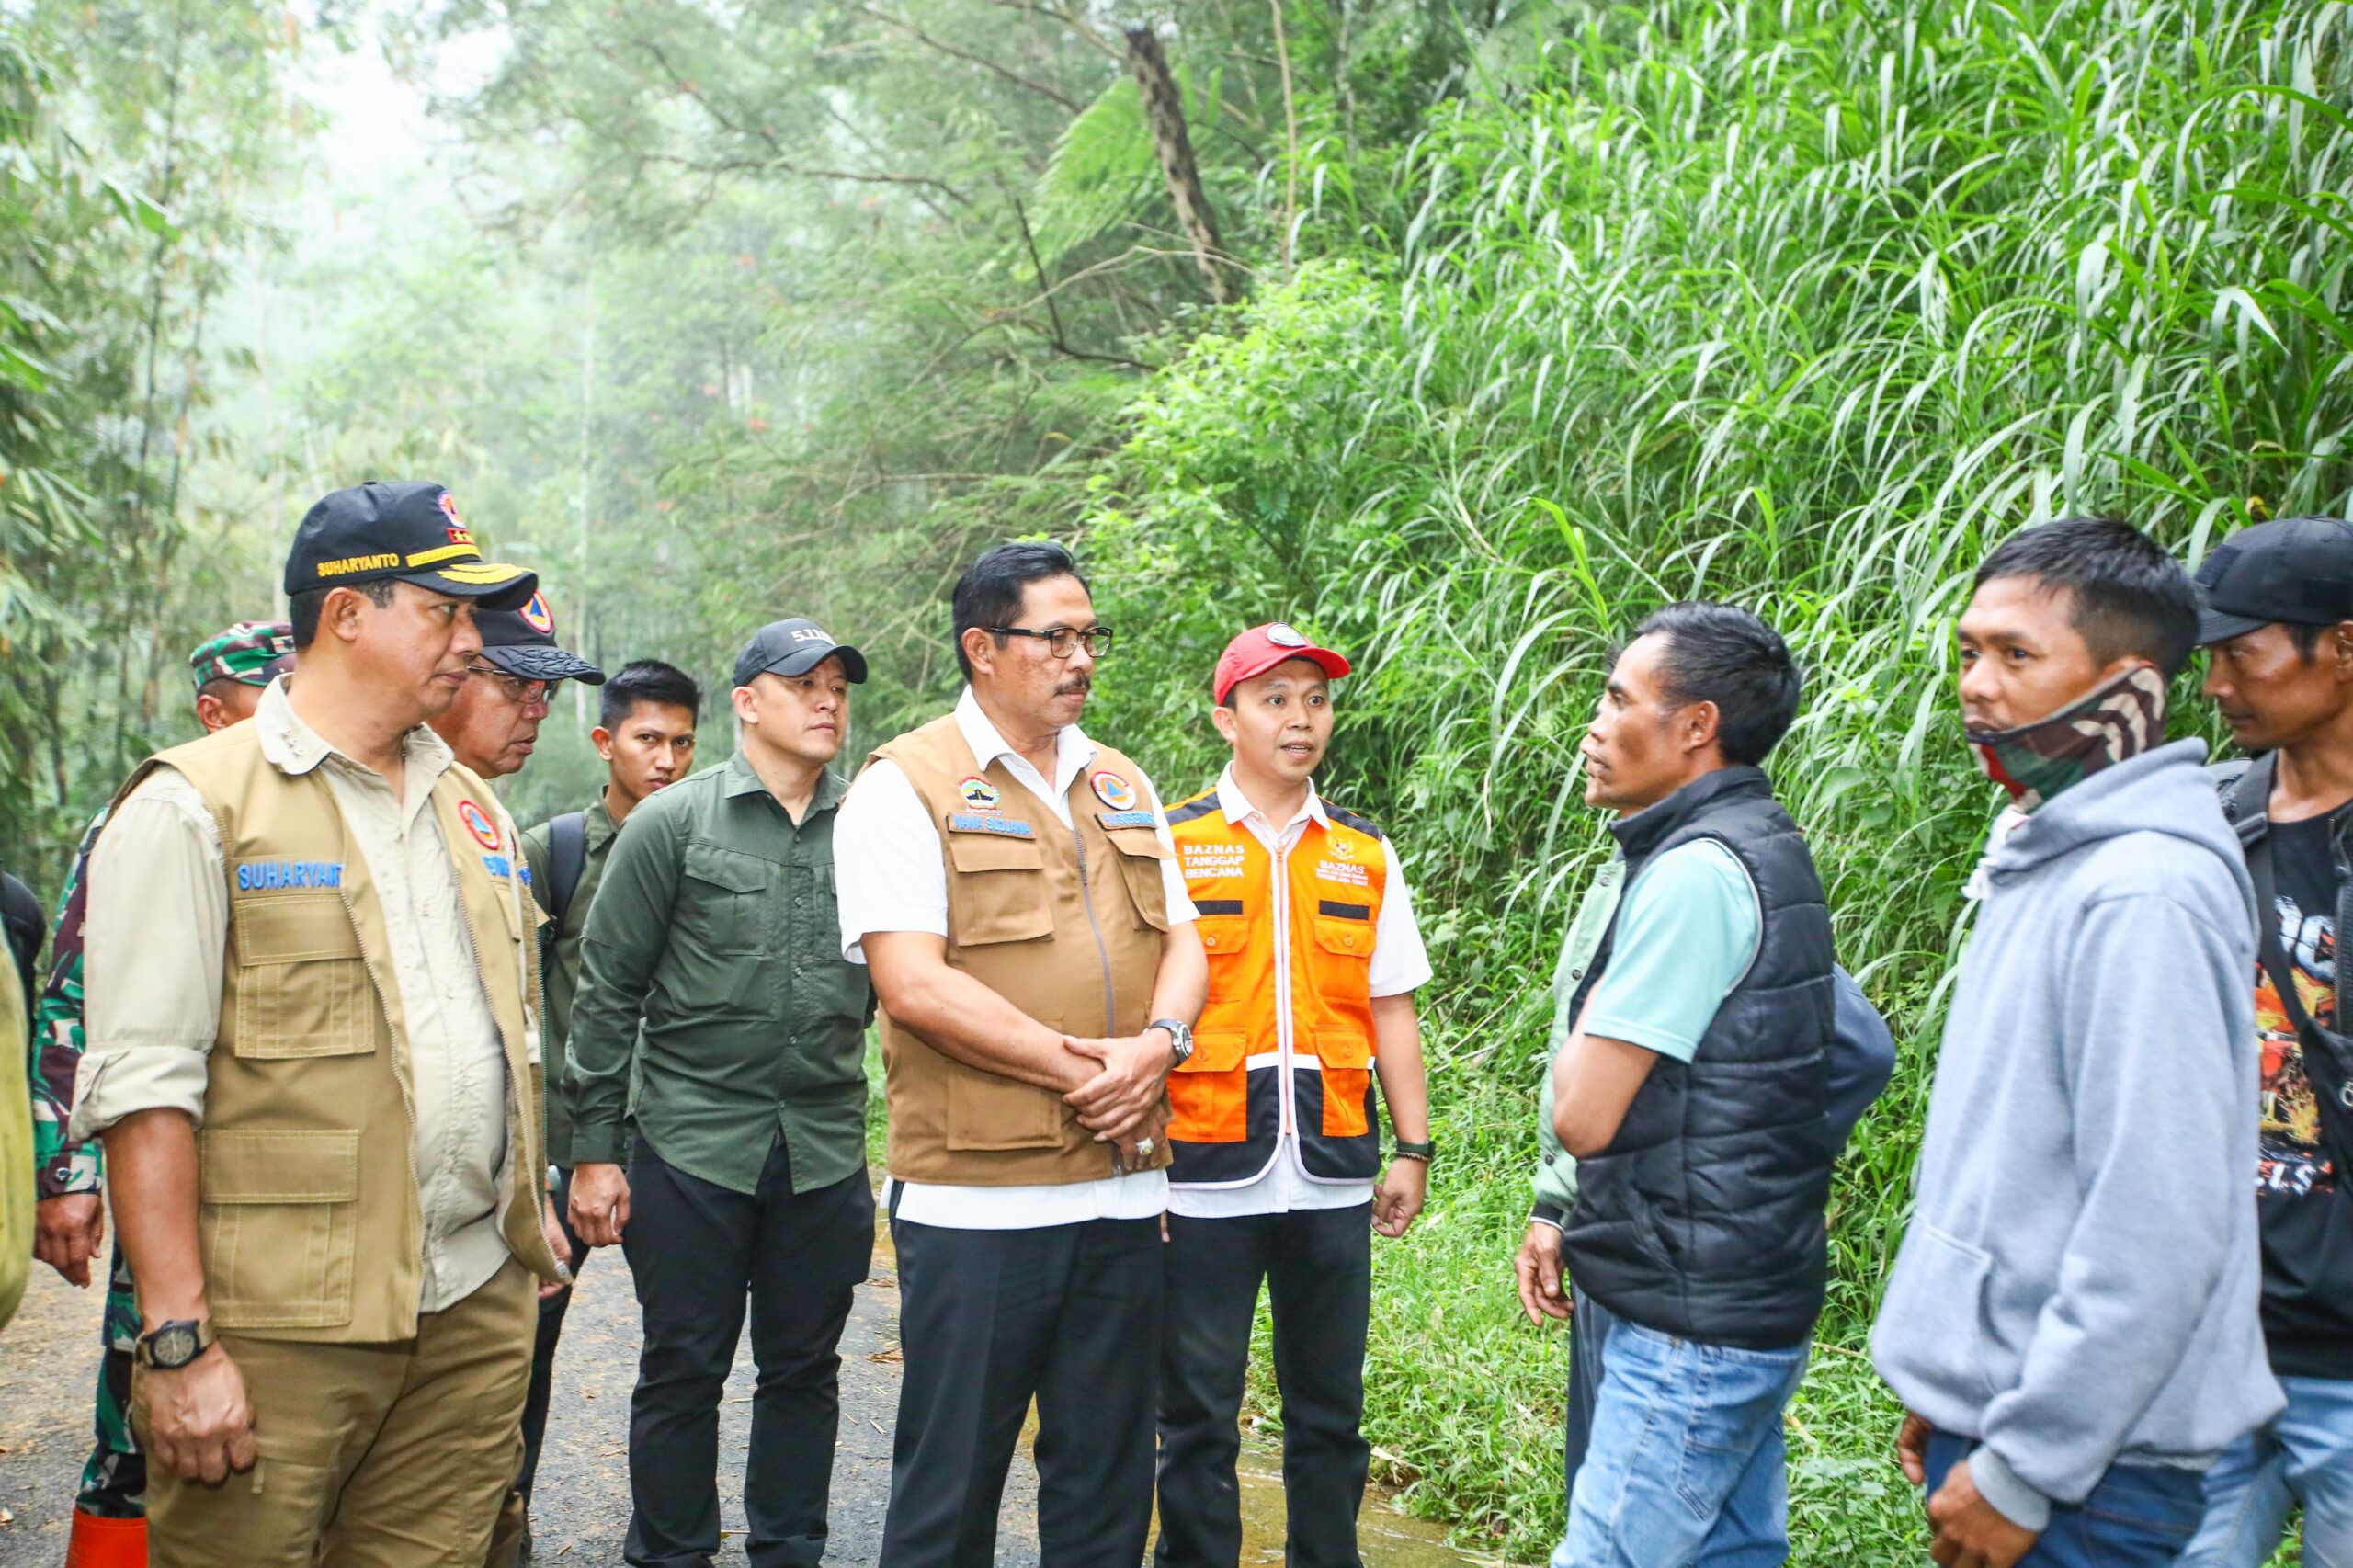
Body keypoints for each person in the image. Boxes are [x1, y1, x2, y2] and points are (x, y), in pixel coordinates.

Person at [67, 481, 569, 1568]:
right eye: (444, 610)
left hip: (469, 1310)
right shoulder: (194, 803)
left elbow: (506, 1036)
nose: (468, 640)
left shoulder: (473, 807)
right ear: (347, 615)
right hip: (279, 1329)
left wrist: (526, 1218)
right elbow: (145, 1087)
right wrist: (179, 1340)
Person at [1872, 517, 2282, 1568]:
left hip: (2093, 1477)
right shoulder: (2043, 853)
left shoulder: (2143, 887)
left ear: (2130, 685)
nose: (1974, 682)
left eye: (2016, 654)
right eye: (1967, 650)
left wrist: (2025, 1462)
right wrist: (1960, 1382)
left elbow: (2158, 1223)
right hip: (2021, 1416)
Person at [835, 540, 1207, 1568]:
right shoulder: (902, 786)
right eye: (1056, 635)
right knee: (950, 1486)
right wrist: (1093, 1071)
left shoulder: (1121, 780)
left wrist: (1160, 1046)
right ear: (982, 647)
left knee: (1105, 1483)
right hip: (981, 1204)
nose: (1080, 656)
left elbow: (1184, 940)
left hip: (1126, 1193)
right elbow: (911, 983)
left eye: (1091, 635)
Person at [565, 620, 873, 1568]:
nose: (827, 700)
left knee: (803, 1371)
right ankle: (670, 1551)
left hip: (821, 1148)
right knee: (683, 1367)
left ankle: (788, 1548)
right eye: (802, 683)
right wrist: (594, 1150)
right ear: (747, 703)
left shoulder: (872, 826)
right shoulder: (673, 822)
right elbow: (608, 989)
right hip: (693, 1142)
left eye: (837, 685)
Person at [1540, 602, 1836, 1568]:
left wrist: (1599, 976)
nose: (1593, 723)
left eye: (1619, 698)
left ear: (1696, 725)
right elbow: (1858, 1049)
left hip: (1685, 1322)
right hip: (1737, 1290)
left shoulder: (1693, 873)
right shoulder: (1763, 842)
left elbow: (1580, 1115)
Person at [1154, 624, 1433, 1568]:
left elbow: (1390, 1006)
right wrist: (1140, 1161)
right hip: (1200, 1173)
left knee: (1330, 1409)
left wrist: (1413, 1146)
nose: (1299, 717)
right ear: (1225, 714)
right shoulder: (1171, 841)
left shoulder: (1361, 852)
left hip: (1330, 1174)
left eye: (1313, 698)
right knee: (1195, 1410)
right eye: (1274, 698)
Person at [32, 621, 293, 1565]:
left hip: (275, 1180)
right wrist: (65, 1170)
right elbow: (70, 996)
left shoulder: (302, 806)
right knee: (135, 1419)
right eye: (273, 694)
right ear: (213, 710)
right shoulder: (159, 809)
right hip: (162, 1163)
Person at [2181, 516, 2353, 1568]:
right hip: (2216, 1353)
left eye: (2240, 653)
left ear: (2341, 645)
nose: (2214, 684)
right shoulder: (2212, 823)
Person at [508, 659, 699, 1549]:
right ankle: (501, 1521)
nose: (665, 758)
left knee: (683, 1355)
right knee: (521, 1349)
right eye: (647, 739)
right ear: (605, 741)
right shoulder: (555, 850)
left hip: (675, 1143)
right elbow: (514, 1001)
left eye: (682, 742)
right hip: (565, 1143)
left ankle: (668, 1538)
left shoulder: (707, 845)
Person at [429, 590, 605, 783]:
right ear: (450, 672)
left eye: (549, 688)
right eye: (517, 682)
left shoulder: (474, 802)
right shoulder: (395, 790)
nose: (540, 711)